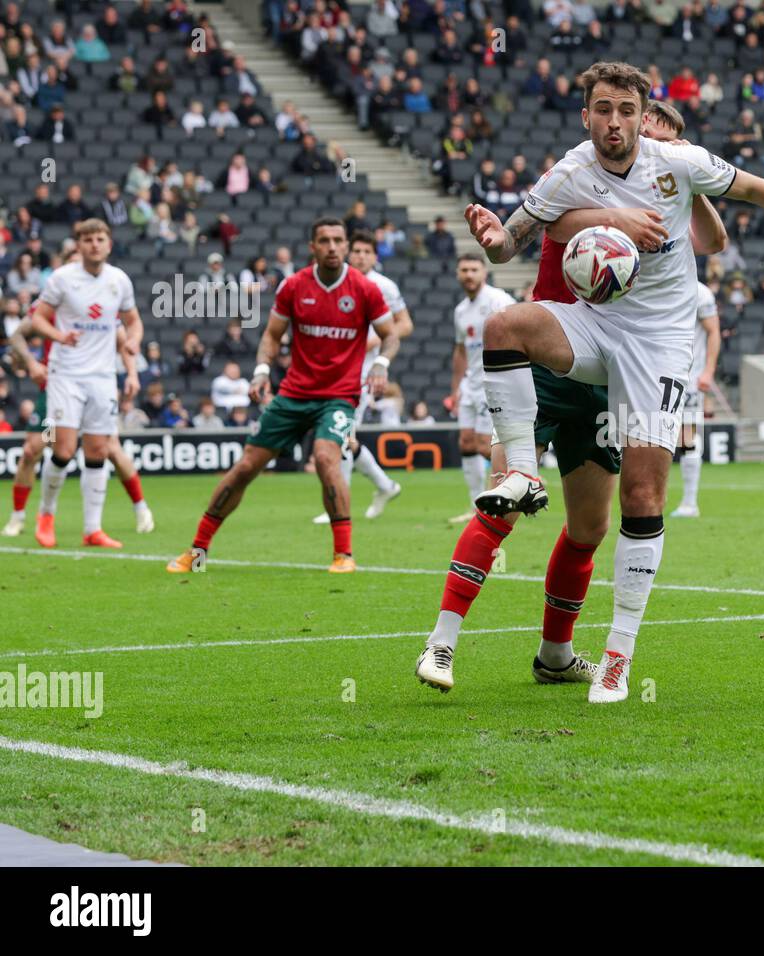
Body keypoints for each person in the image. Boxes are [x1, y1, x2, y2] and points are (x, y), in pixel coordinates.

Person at [451, 62, 764, 703]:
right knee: (503, 323)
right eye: (604, 109)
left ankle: (618, 655)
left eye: (627, 109)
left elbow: (761, 192)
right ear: (587, 114)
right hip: (597, 326)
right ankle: (521, 470)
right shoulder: (570, 170)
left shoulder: (678, 163)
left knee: (644, 492)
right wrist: (490, 237)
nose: (616, 120)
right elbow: (508, 245)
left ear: (641, 111)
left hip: (660, 346)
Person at [417, 97, 729, 698]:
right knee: (503, 503)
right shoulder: (579, 178)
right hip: (551, 358)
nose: (642, 145)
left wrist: (694, 186)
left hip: (613, 376)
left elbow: (711, 243)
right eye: (644, 133)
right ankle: (442, 641)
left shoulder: (667, 191)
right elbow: (520, 236)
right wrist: (497, 235)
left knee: (589, 527)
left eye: (664, 142)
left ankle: (555, 655)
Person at [166, 219, 398, 575]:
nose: (333, 247)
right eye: (325, 240)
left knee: (325, 458)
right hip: (293, 394)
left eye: (339, 240)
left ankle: (344, 554)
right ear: (312, 246)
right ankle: (197, 551)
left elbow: (390, 334)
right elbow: (272, 336)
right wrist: (261, 369)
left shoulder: (364, 289)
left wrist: (381, 362)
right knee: (246, 467)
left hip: (338, 396)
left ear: (347, 245)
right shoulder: (294, 286)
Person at [25, 219, 143, 549]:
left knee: (98, 451)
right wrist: (59, 335)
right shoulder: (63, 279)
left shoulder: (119, 280)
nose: (94, 244)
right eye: (88, 239)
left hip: (103, 377)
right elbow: (36, 318)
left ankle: (93, 529)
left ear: (109, 242)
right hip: (66, 375)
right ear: (79, 245)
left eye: (100, 238)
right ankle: (45, 515)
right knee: (62, 448)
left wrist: (132, 342)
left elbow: (134, 322)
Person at [309, 230, 409, 524]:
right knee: (344, 435)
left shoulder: (384, 286)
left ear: (375, 257)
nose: (362, 256)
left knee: (340, 434)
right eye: (358, 251)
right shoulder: (338, 280)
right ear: (349, 253)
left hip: (365, 372)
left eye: (368, 252)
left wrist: (376, 342)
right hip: (335, 369)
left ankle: (341, 503)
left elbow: (405, 324)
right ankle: (385, 486)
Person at [447, 252, 516, 522]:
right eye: (464, 270)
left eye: (474, 269)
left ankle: (522, 475)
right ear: (457, 274)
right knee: (466, 442)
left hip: (493, 382)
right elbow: (461, 352)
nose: (469, 275)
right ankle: (477, 503)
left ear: (484, 272)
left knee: (481, 443)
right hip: (470, 386)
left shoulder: (498, 300)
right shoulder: (460, 310)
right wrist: (455, 388)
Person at [669, 279, 720, 518]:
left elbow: (713, 331)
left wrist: (708, 371)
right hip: (653, 374)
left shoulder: (700, 292)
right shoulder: (656, 283)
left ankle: (690, 503)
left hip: (688, 378)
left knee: (686, 436)